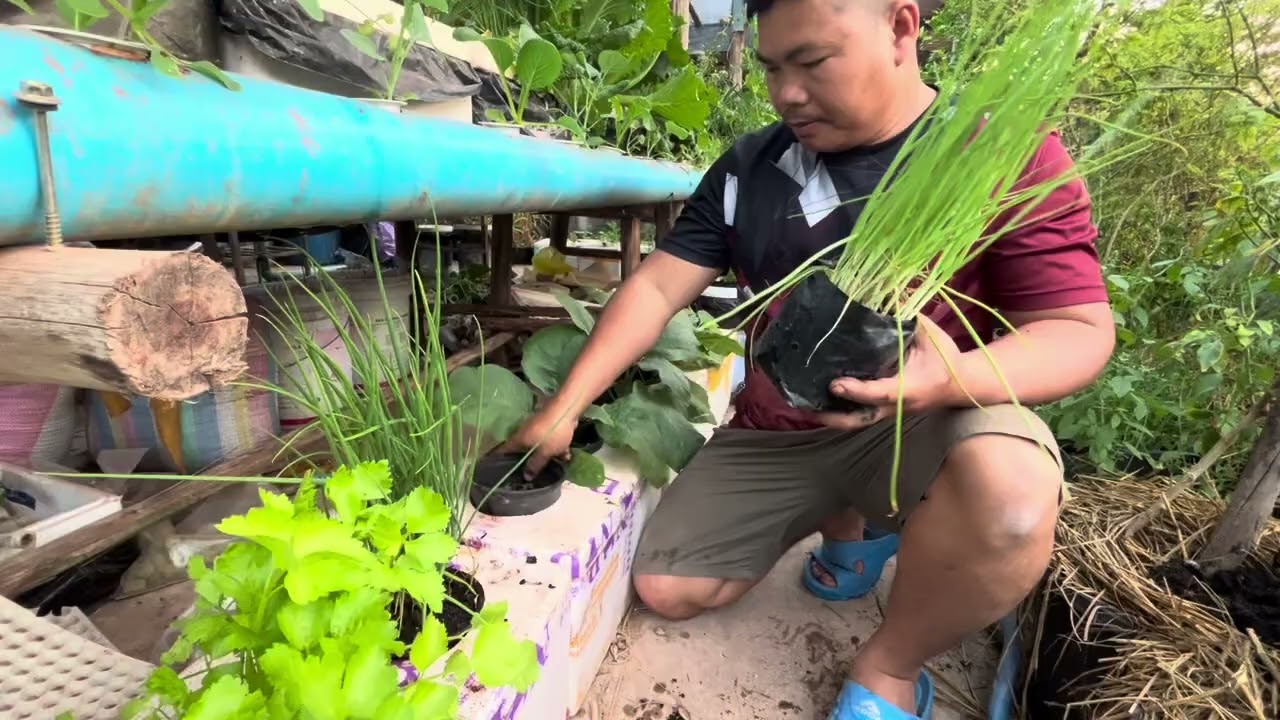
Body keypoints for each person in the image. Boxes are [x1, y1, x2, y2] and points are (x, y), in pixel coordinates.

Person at [505, 0, 1116, 718]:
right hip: (781, 423)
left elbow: (1077, 329)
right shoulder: (750, 168)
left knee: (1010, 501)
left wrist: (952, 379)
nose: (786, 92)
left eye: (813, 62)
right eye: (771, 67)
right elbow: (659, 284)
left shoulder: (999, 155)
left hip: (925, 425)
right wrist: (563, 407)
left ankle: (890, 665)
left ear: (901, 27)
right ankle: (851, 522)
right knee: (670, 588)